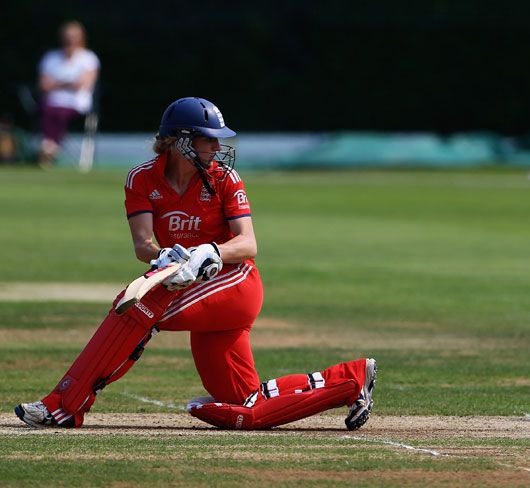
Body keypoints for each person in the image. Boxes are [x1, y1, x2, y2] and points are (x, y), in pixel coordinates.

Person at [15, 97, 377, 431]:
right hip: (182, 280)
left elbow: (248, 243)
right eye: (209, 140)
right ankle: (350, 379)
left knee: (136, 307)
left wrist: (213, 252)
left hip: (233, 284)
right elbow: (142, 244)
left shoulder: (224, 178)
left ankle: (63, 404)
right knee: (243, 403)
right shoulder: (141, 178)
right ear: (181, 140)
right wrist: (161, 256)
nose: (218, 148)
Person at [36, 20, 100, 165]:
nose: (70, 40)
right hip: (51, 103)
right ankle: (50, 146)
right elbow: (44, 85)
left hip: (76, 104)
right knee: (47, 110)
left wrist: (56, 83)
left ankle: (48, 147)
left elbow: (82, 84)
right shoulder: (51, 57)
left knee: (60, 113)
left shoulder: (89, 58)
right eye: (67, 36)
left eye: (74, 36)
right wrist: (69, 83)